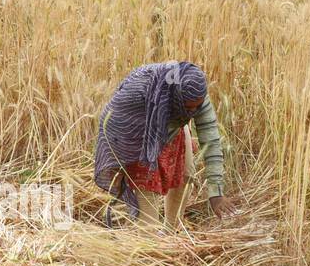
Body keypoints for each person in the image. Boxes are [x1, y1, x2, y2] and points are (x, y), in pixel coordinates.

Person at [94, 60, 235, 228]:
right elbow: (113, 126)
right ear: (176, 97)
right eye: (188, 108)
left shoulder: (194, 90)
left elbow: (210, 139)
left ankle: (171, 231)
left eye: (196, 108)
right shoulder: (138, 92)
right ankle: (149, 245)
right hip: (135, 138)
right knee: (148, 201)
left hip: (170, 127)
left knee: (186, 175)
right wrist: (119, 166)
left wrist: (215, 192)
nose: (192, 114)